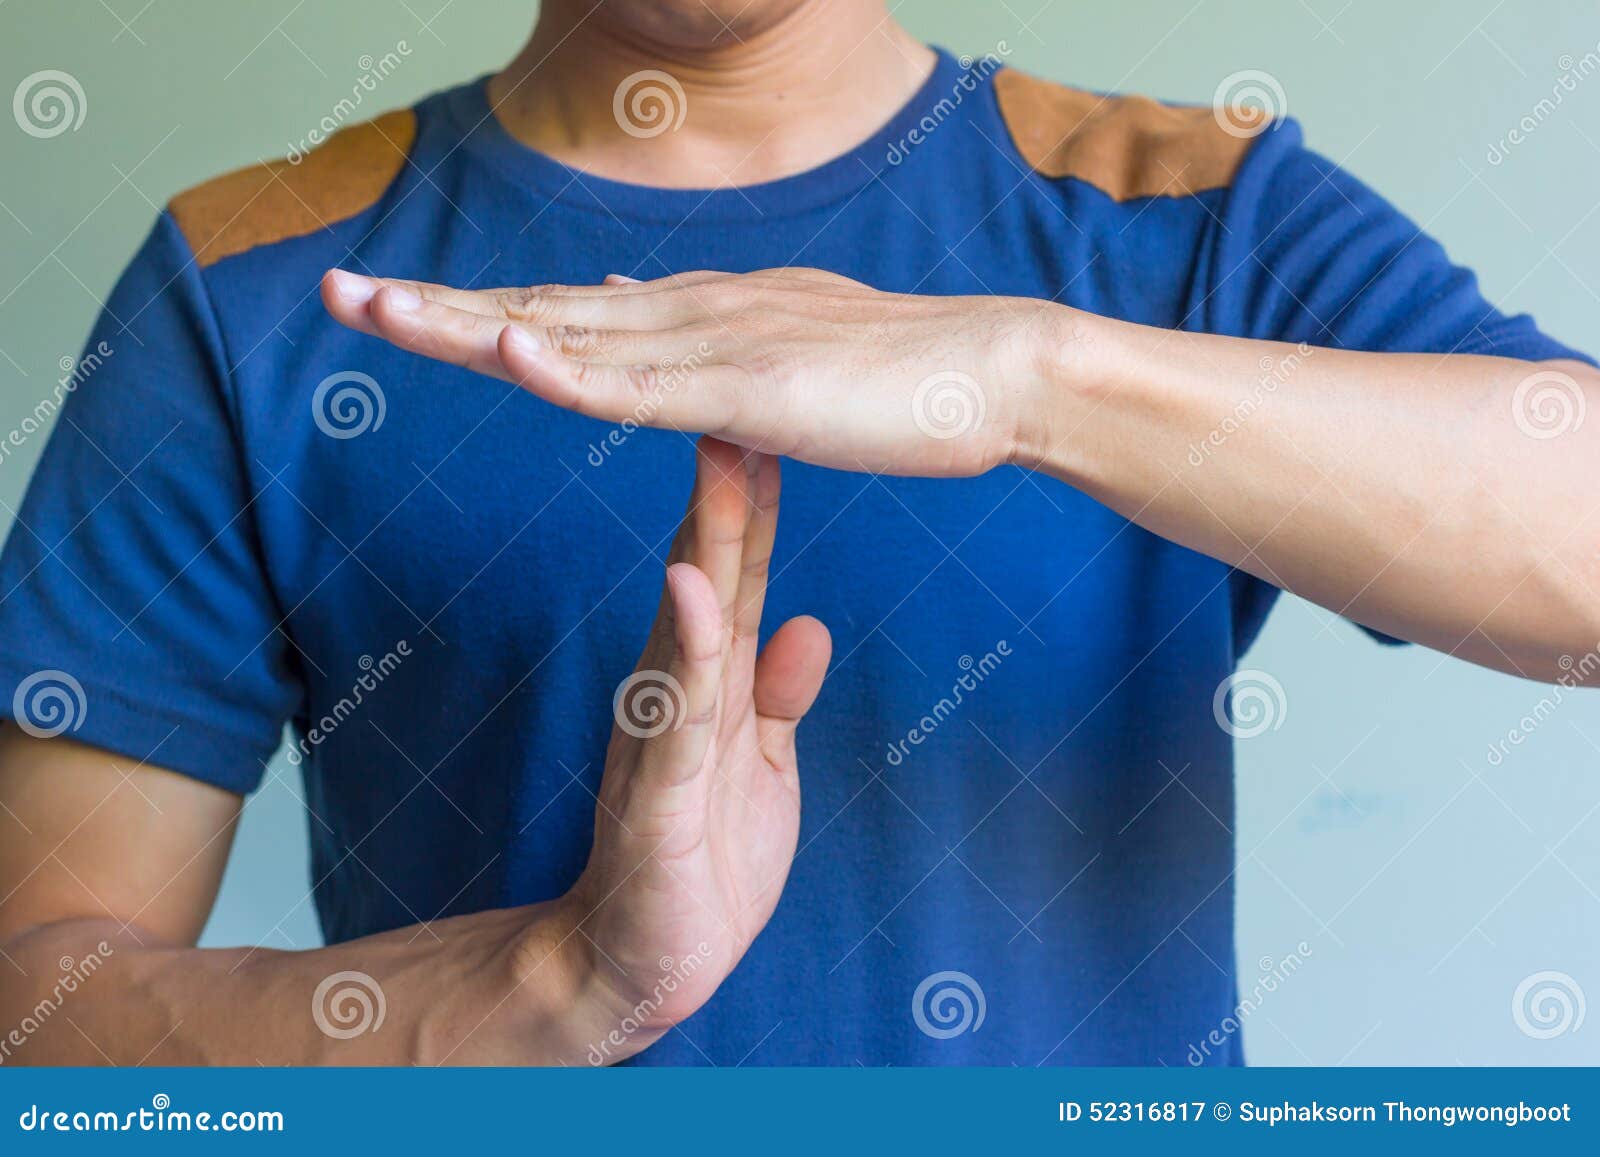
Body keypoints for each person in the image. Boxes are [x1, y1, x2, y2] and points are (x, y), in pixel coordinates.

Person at [0, 0, 1593, 1067]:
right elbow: (31, 1014)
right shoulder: (255, 284)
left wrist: (1030, 374)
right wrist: (551, 982)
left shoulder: (1188, 207)